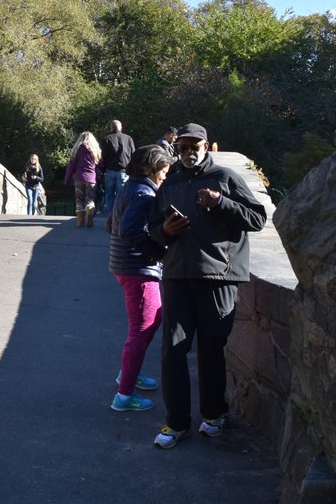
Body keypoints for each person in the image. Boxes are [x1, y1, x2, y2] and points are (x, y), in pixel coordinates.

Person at [147, 123, 266, 448]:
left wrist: (220, 203)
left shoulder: (225, 178)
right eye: (183, 148)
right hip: (177, 276)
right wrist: (166, 230)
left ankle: (214, 414)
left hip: (218, 277)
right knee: (173, 351)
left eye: (193, 147)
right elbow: (153, 229)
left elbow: (257, 219)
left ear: (206, 147)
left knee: (212, 349)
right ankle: (176, 423)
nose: (187, 153)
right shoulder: (169, 183)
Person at [106, 145, 172, 412]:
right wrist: (158, 253)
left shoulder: (130, 187)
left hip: (125, 266)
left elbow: (111, 223)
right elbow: (128, 228)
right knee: (141, 330)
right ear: (150, 169)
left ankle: (129, 374)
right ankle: (124, 396)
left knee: (148, 324)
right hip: (138, 270)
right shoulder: (144, 193)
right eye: (164, 172)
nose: (165, 178)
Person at [64, 131, 101, 228]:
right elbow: (100, 165)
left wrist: (66, 179)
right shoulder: (95, 149)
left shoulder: (77, 149)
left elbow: (71, 165)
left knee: (79, 199)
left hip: (79, 177)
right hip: (91, 178)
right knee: (90, 199)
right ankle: (89, 210)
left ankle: (80, 220)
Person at [99, 120, 135, 214]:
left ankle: (111, 216)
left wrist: (102, 170)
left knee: (109, 195)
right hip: (124, 171)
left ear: (111, 128)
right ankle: (119, 216)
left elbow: (103, 157)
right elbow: (133, 155)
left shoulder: (106, 139)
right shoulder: (128, 139)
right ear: (121, 127)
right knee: (122, 196)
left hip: (110, 171)